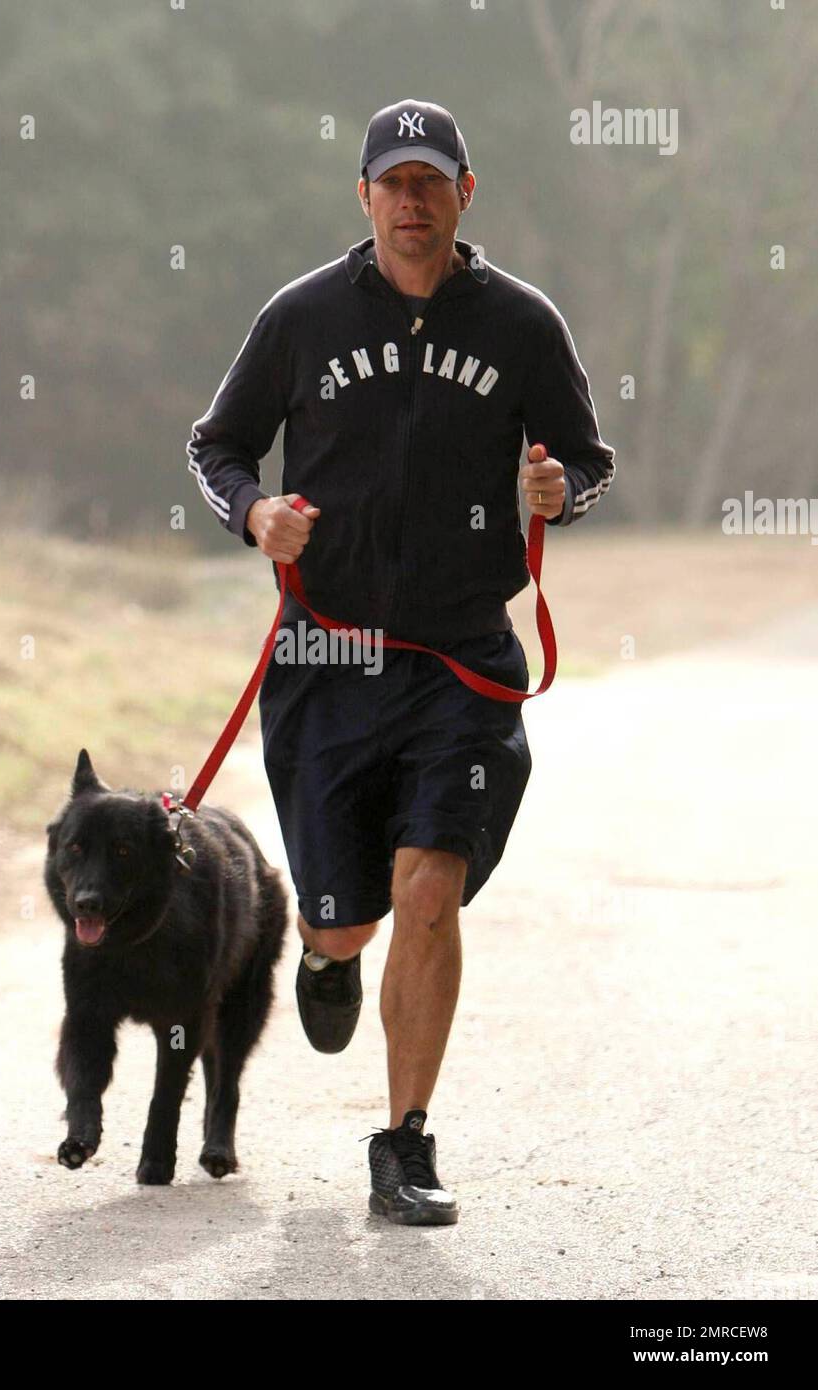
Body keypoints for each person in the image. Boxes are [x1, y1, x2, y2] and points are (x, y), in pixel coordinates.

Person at [187, 98, 616, 1225]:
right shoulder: (301, 317)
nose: (412, 200)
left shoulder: (521, 324)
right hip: (325, 657)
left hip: (460, 661)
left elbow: (585, 456)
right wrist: (253, 511)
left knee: (428, 887)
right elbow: (216, 445)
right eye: (394, 181)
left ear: (465, 194)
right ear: (364, 197)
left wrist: (556, 492)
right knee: (346, 921)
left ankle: (404, 1143)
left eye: (432, 181)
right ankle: (326, 956)